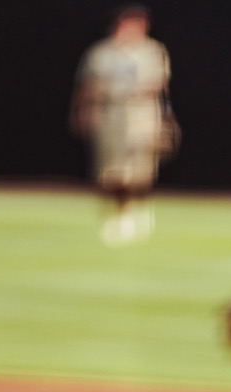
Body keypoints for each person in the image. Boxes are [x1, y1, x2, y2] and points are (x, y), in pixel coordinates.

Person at [70, 6, 178, 246]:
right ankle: (115, 215)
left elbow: (158, 82)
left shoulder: (152, 50)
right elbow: (89, 84)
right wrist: (85, 110)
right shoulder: (101, 52)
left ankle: (138, 211)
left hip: (141, 111)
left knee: (140, 168)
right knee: (110, 169)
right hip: (111, 112)